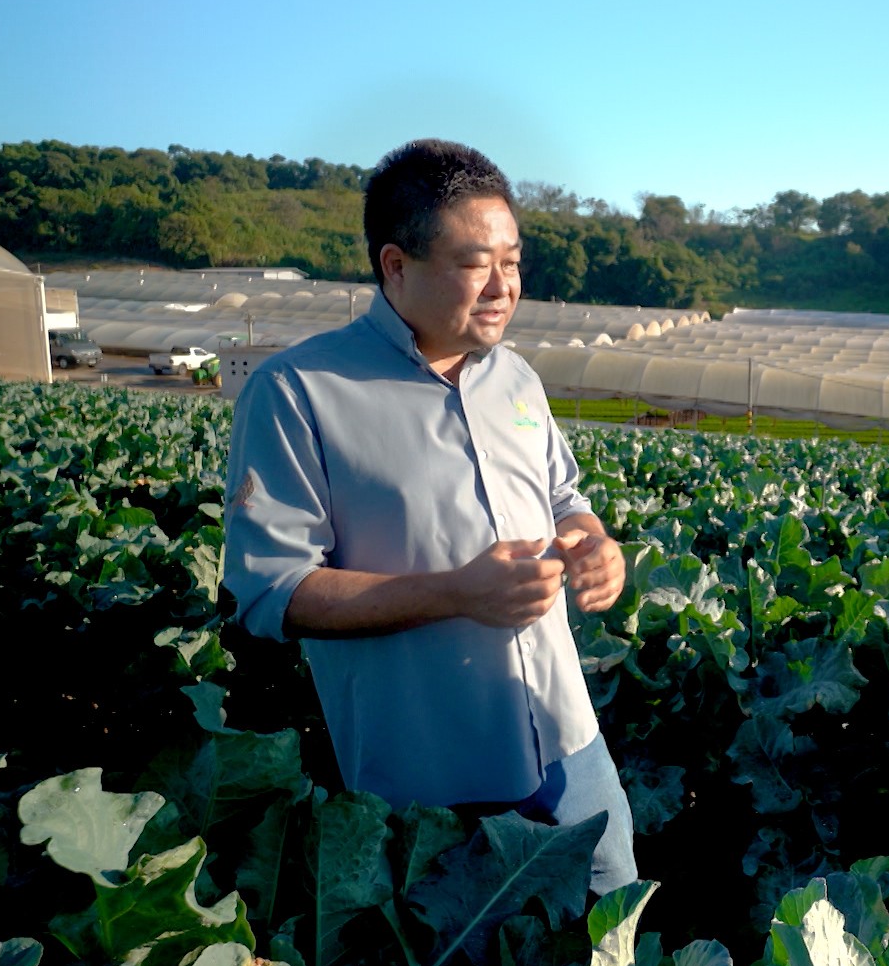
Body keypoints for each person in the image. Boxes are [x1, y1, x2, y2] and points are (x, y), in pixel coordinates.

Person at [221, 138, 637, 893]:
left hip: (571, 747)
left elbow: (564, 500)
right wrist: (456, 593)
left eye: (513, 260)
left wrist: (591, 542)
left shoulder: (516, 378)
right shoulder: (298, 391)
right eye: (475, 263)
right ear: (395, 266)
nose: (504, 286)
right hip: (433, 787)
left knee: (610, 942)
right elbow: (269, 593)